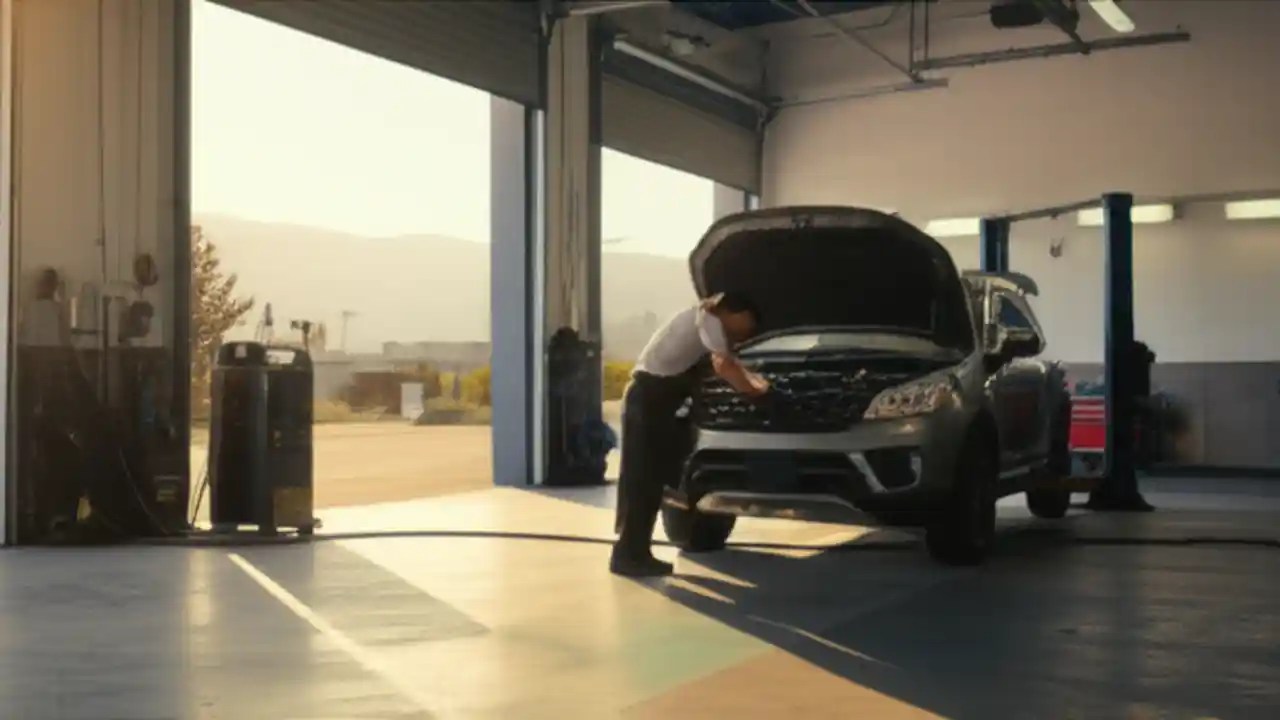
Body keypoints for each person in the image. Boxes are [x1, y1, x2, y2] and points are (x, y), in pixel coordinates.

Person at [611, 291, 767, 577]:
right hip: (648, 398)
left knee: (651, 478)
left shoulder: (702, 319)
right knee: (642, 479)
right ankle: (628, 556)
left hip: (655, 398)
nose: (749, 329)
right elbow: (726, 367)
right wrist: (760, 393)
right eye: (748, 321)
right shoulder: (708, 322)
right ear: (731, 311)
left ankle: (633, 552)